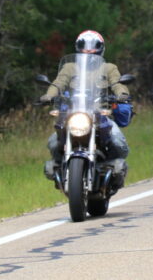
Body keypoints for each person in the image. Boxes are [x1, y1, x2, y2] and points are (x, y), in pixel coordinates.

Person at [40, 30, 131, 183]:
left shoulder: (108, 68)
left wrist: (122, 94)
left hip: (100, 114)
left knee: (117, 140)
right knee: (54, 142)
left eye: (93, 46)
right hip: (74, 112)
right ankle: (57, 166)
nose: (89, 49)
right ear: (78, 47)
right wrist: (49, 96)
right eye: (84, 45)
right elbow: (58, 83)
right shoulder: (69, 67)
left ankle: (116, 169)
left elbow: (117, 84)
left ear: (100, 48)